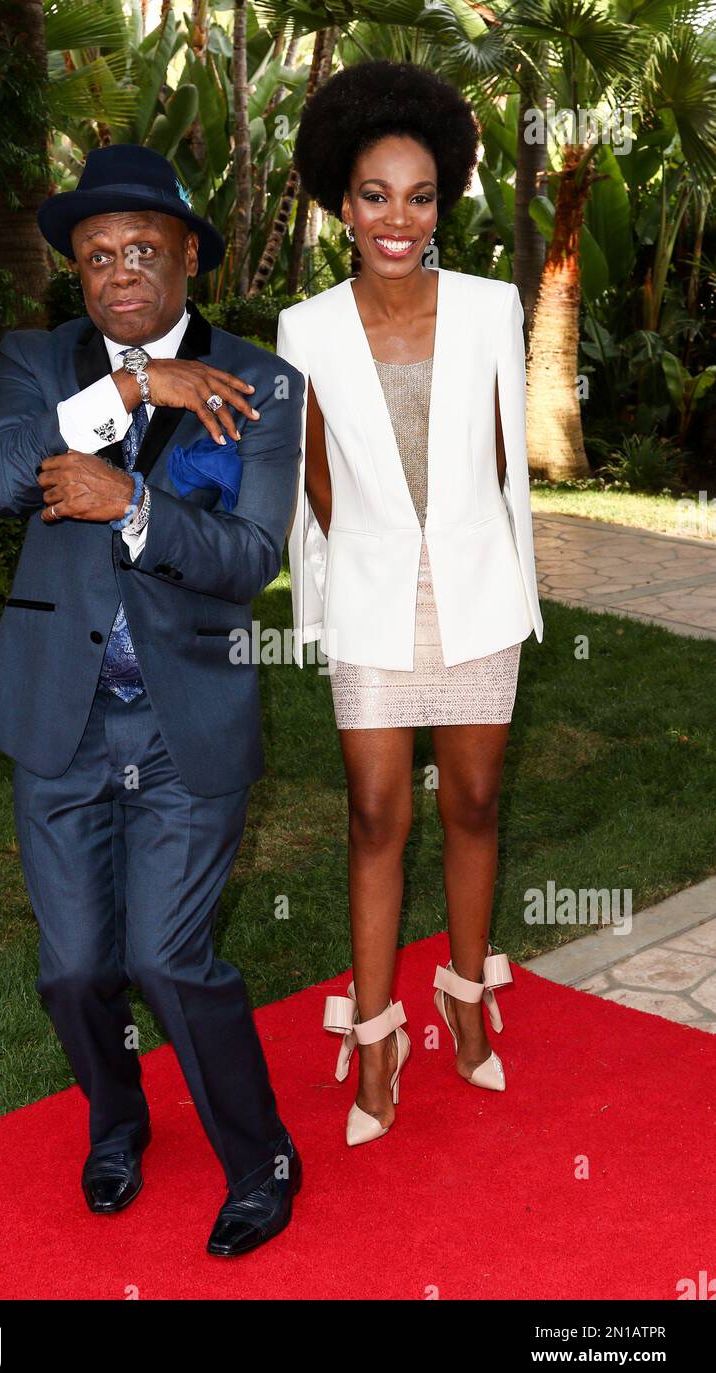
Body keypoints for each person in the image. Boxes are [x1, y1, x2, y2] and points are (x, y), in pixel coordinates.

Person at [0, 144, 304, 1256]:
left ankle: (259, 1158)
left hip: (181, 718)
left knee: (168, 957)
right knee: (72, 969)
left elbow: (249, 551)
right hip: (56, 713)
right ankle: (118, 1123)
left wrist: (132, 509)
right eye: (97, 254)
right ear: (77, 269)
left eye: (143, 249)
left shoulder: (261, 379)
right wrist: (123, 390)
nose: (119, 271)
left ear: (188, 256)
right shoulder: (35, 360)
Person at [276, 61, 544, 1147]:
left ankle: (466, 1001)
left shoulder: (488, 308)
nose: (398, 218)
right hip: (375, 600)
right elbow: (315, 479)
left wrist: (473, 560)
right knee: (377, 813)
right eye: (375, 195)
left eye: (420, 195)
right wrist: (372, 560)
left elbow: (495, 463)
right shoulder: (304, 329)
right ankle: (375, 1036)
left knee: (472, 802)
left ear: (441, 203)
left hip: (476, 592)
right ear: (342, 204)